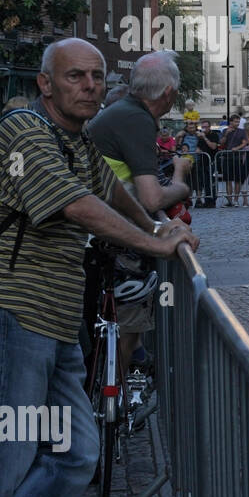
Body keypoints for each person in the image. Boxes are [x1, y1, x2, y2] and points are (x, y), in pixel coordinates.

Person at [0, 38, 198, 497]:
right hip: (8, 310)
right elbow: (77, 205)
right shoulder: (25, 132)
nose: (89, 86)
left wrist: (154, 222)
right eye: (75, 76)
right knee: (8, 455)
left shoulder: (76, 143)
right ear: (46, 83)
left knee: (77, 453)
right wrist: (154, 241)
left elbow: (111, 191)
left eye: (97, 76)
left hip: (54, 317)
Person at [87, 49, 194, 371]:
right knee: (130, 331)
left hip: (101, 229)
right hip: (115, 237)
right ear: (169, 92)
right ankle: (108, 405)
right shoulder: (137, 119)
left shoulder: (121, 112)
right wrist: (181, 179)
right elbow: (150, 199)